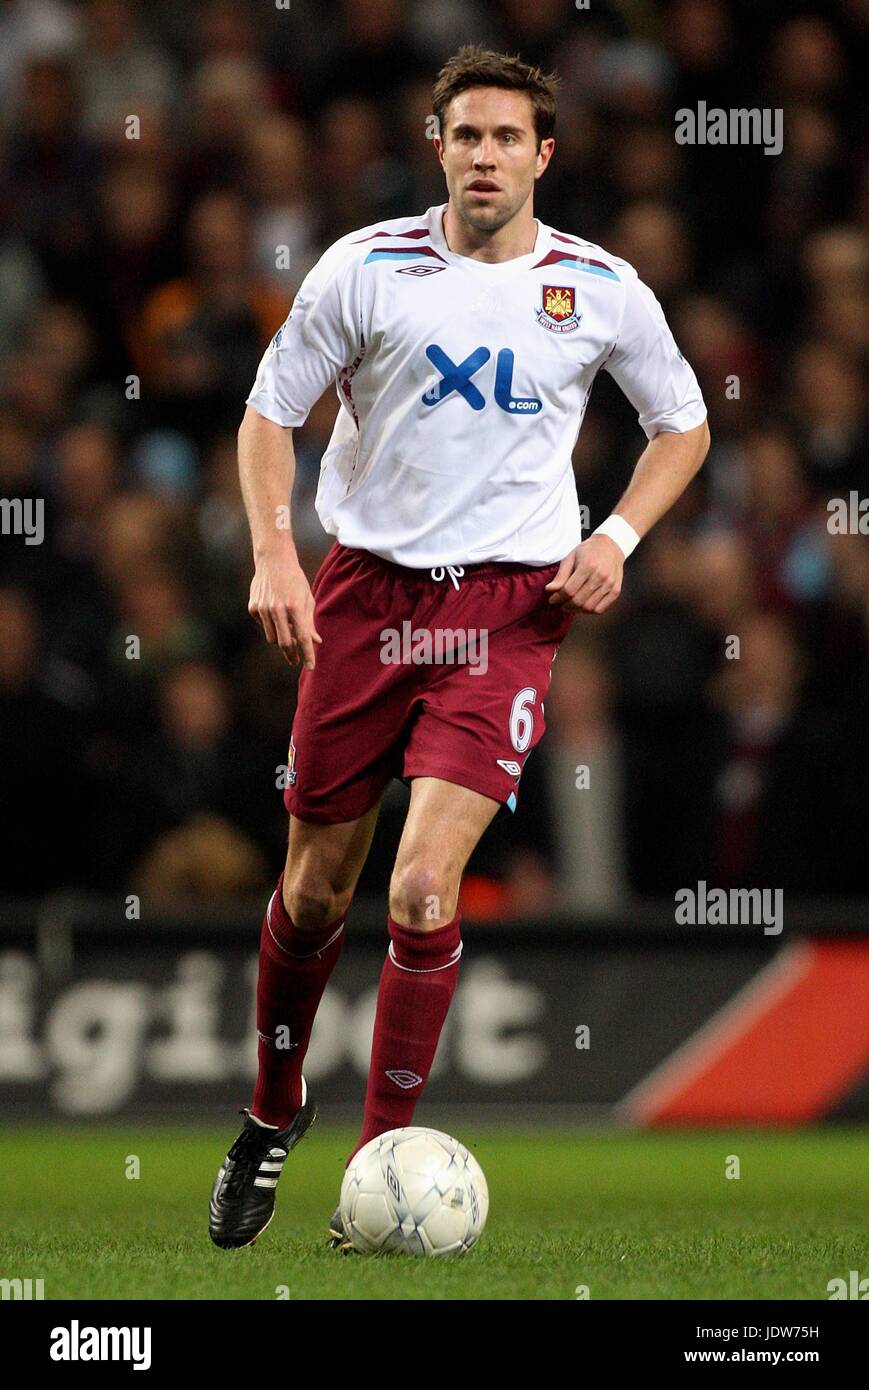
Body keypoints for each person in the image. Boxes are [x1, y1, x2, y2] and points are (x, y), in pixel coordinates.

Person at [208, 45, 709, 1251]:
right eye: (463, 135)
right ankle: (273, 1113)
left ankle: (377, 1163)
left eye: (506, 139)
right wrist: (278, 553)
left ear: (545, 155)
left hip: (506, 614)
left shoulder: (598, 288)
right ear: (435, 144)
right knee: (314, 886)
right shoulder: (364, 268)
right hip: (364, 600)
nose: (483, 156)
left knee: (423, 885)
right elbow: (269, 414)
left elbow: (681, 425)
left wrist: (622, 535)